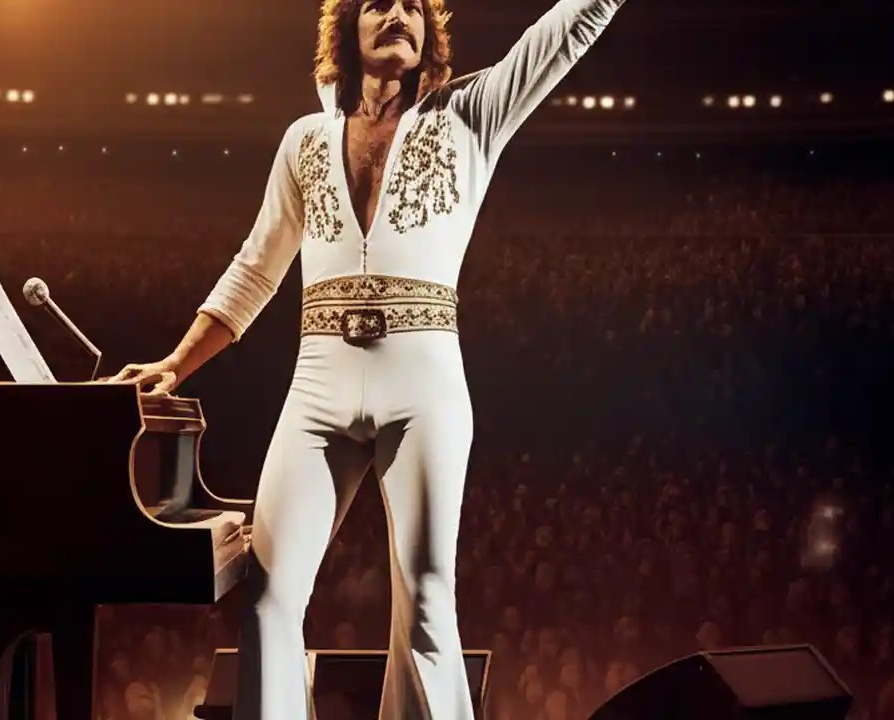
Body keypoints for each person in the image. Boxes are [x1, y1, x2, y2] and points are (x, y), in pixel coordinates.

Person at [104, 0, 630, 716]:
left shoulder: (469, 117)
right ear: (345, 27)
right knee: (268, 593)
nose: (399, 15)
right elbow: (257, 268)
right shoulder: (303, 141)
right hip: (317, 385)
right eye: (380, 2)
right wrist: (175, 363)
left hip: (426, 390)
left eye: (414, 5)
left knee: (427, 602)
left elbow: (567, 31)